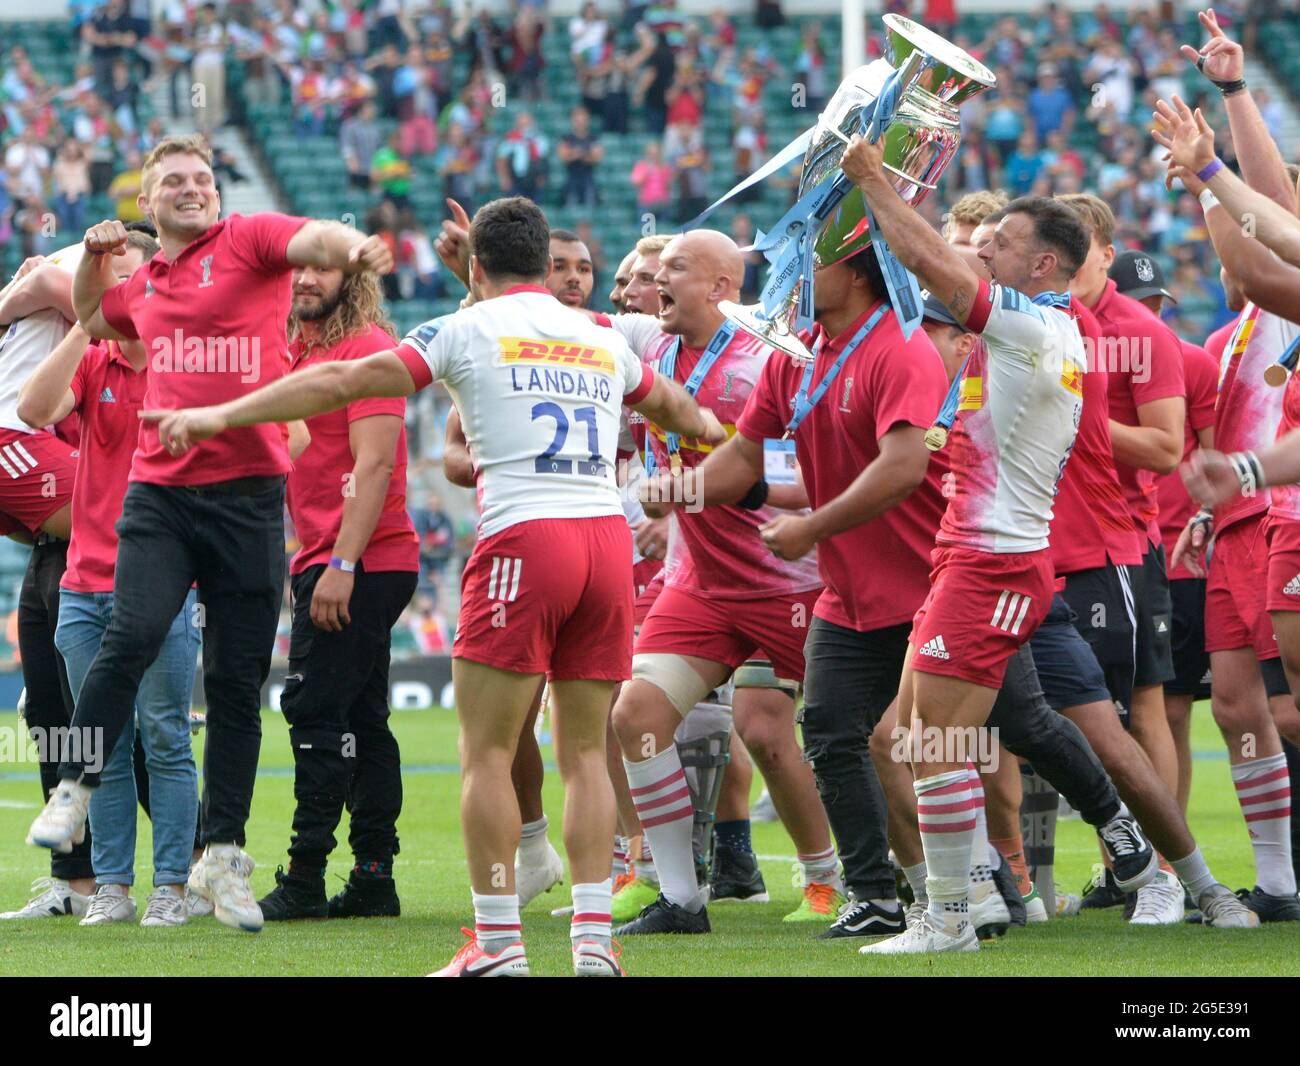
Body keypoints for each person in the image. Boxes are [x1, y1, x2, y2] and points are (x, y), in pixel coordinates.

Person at [140, 196, 725, 977]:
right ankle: (593, 945)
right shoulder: (597, 336)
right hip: (604, 543)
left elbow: (340, 381)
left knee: (486, 752)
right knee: (587, 752)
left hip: (525, 541)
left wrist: (223, 415)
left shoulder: (462, 329)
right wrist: (711, 435)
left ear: (476, 267)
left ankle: (498, 947)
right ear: (544, 261)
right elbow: (676, 406)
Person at [25, 134, 393, 936]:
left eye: (203, 178)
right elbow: (89, 313)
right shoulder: (147, 283)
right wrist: (92, 259)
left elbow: (312, 238)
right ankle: (76, 787)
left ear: (218, 195)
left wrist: (351, 245)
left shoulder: (248, 241)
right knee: (131, 634)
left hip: (249, 499)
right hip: (160, 495)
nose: (192, 189)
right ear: (148, 202)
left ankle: (221, 853)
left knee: (234, 681)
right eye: (174, 181)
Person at [842, 136, 1129, 954]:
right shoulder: (1046, 327)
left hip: (994, 561)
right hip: (972, 557)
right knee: (905, 738)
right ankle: (963, 904)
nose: (982, 250)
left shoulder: (1030, 326)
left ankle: (951, 920)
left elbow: (929, 259)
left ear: (1042, 264)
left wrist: (874, 181)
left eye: (999, 242)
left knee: (935, 743)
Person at [16, 228, 203, 929]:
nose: (118, 291)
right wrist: (86, 325)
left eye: (128, 278)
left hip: (161, 586)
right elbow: (34, 411)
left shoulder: (186, 364)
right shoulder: (95, 359)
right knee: (102, 745)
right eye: (106, 281)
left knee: (166, 737)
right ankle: (115, 888)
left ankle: (173, 887)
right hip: (84, 586)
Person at [251, 263, 418, 922]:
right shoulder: (296, 350)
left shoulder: (369, 349)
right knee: (361, 718)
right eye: (299, 266)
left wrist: (342, 563)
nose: (306, 278)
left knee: (315, 712)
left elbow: (373, 465)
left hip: (359, 559)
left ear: (354, 280)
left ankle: (305, 877)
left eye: (324, 268)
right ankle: (374, 876)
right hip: (333, 556)